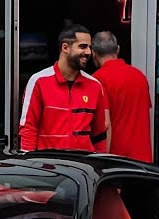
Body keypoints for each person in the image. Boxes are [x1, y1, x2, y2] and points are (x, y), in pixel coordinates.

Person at [19, 24, 110, 153]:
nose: (89, 52)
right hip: (48, 163)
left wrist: (100, 163)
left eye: (90, 47)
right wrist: (28, 162)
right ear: (65, 47)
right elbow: (29, 129)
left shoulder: (95, 85)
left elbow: (99, 135)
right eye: (83, 46)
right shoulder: (39, 81)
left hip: (83, 163)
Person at [90, 31, 153, 163]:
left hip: (117, 162)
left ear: (93, 53)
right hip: (143, 160)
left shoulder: (97, 79)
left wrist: (101, 161)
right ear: (118, 49)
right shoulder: (139, 76)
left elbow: (104, 125)